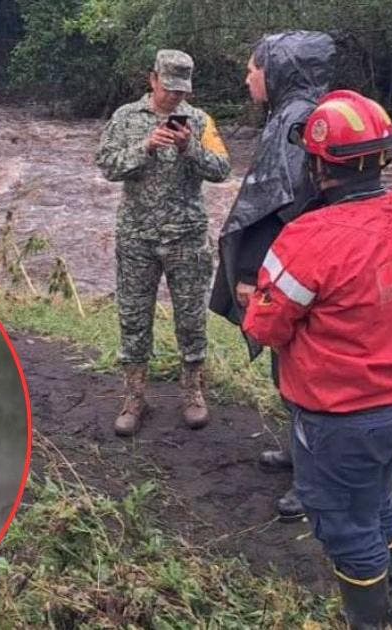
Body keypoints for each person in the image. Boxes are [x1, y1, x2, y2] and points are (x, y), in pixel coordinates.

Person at [242, 89, 392, 630]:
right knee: (376, 503)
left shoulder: (306, 238)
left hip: (342, 417)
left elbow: (266, 326)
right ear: (382, 158)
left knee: (343, 526)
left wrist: (256, 297)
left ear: (317, 163)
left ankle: (369, 622)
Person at [209, 31, 338, 521]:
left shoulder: (295, 119)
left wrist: (250, 274)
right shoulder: (306, 114)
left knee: (306, 372)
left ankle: (313, 482)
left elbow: (273, 207)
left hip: (297, 267)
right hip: (306, 262)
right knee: (291, 366)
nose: (247, 78)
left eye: (252, 69)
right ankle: (299, 455)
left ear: (277, 70)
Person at [95, 49, 231, 436]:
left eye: (181, 91)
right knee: (134, 319)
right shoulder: (126, 118)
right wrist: (145, 148)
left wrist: (191, 148)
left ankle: (193, 392)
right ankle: (135, 396)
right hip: (137, 236)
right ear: (153, 79)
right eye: (169, 88)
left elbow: (223, 170)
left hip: (186, 237)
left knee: (191, 318)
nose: (174, 97)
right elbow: (105, 165)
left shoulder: (200, 120)